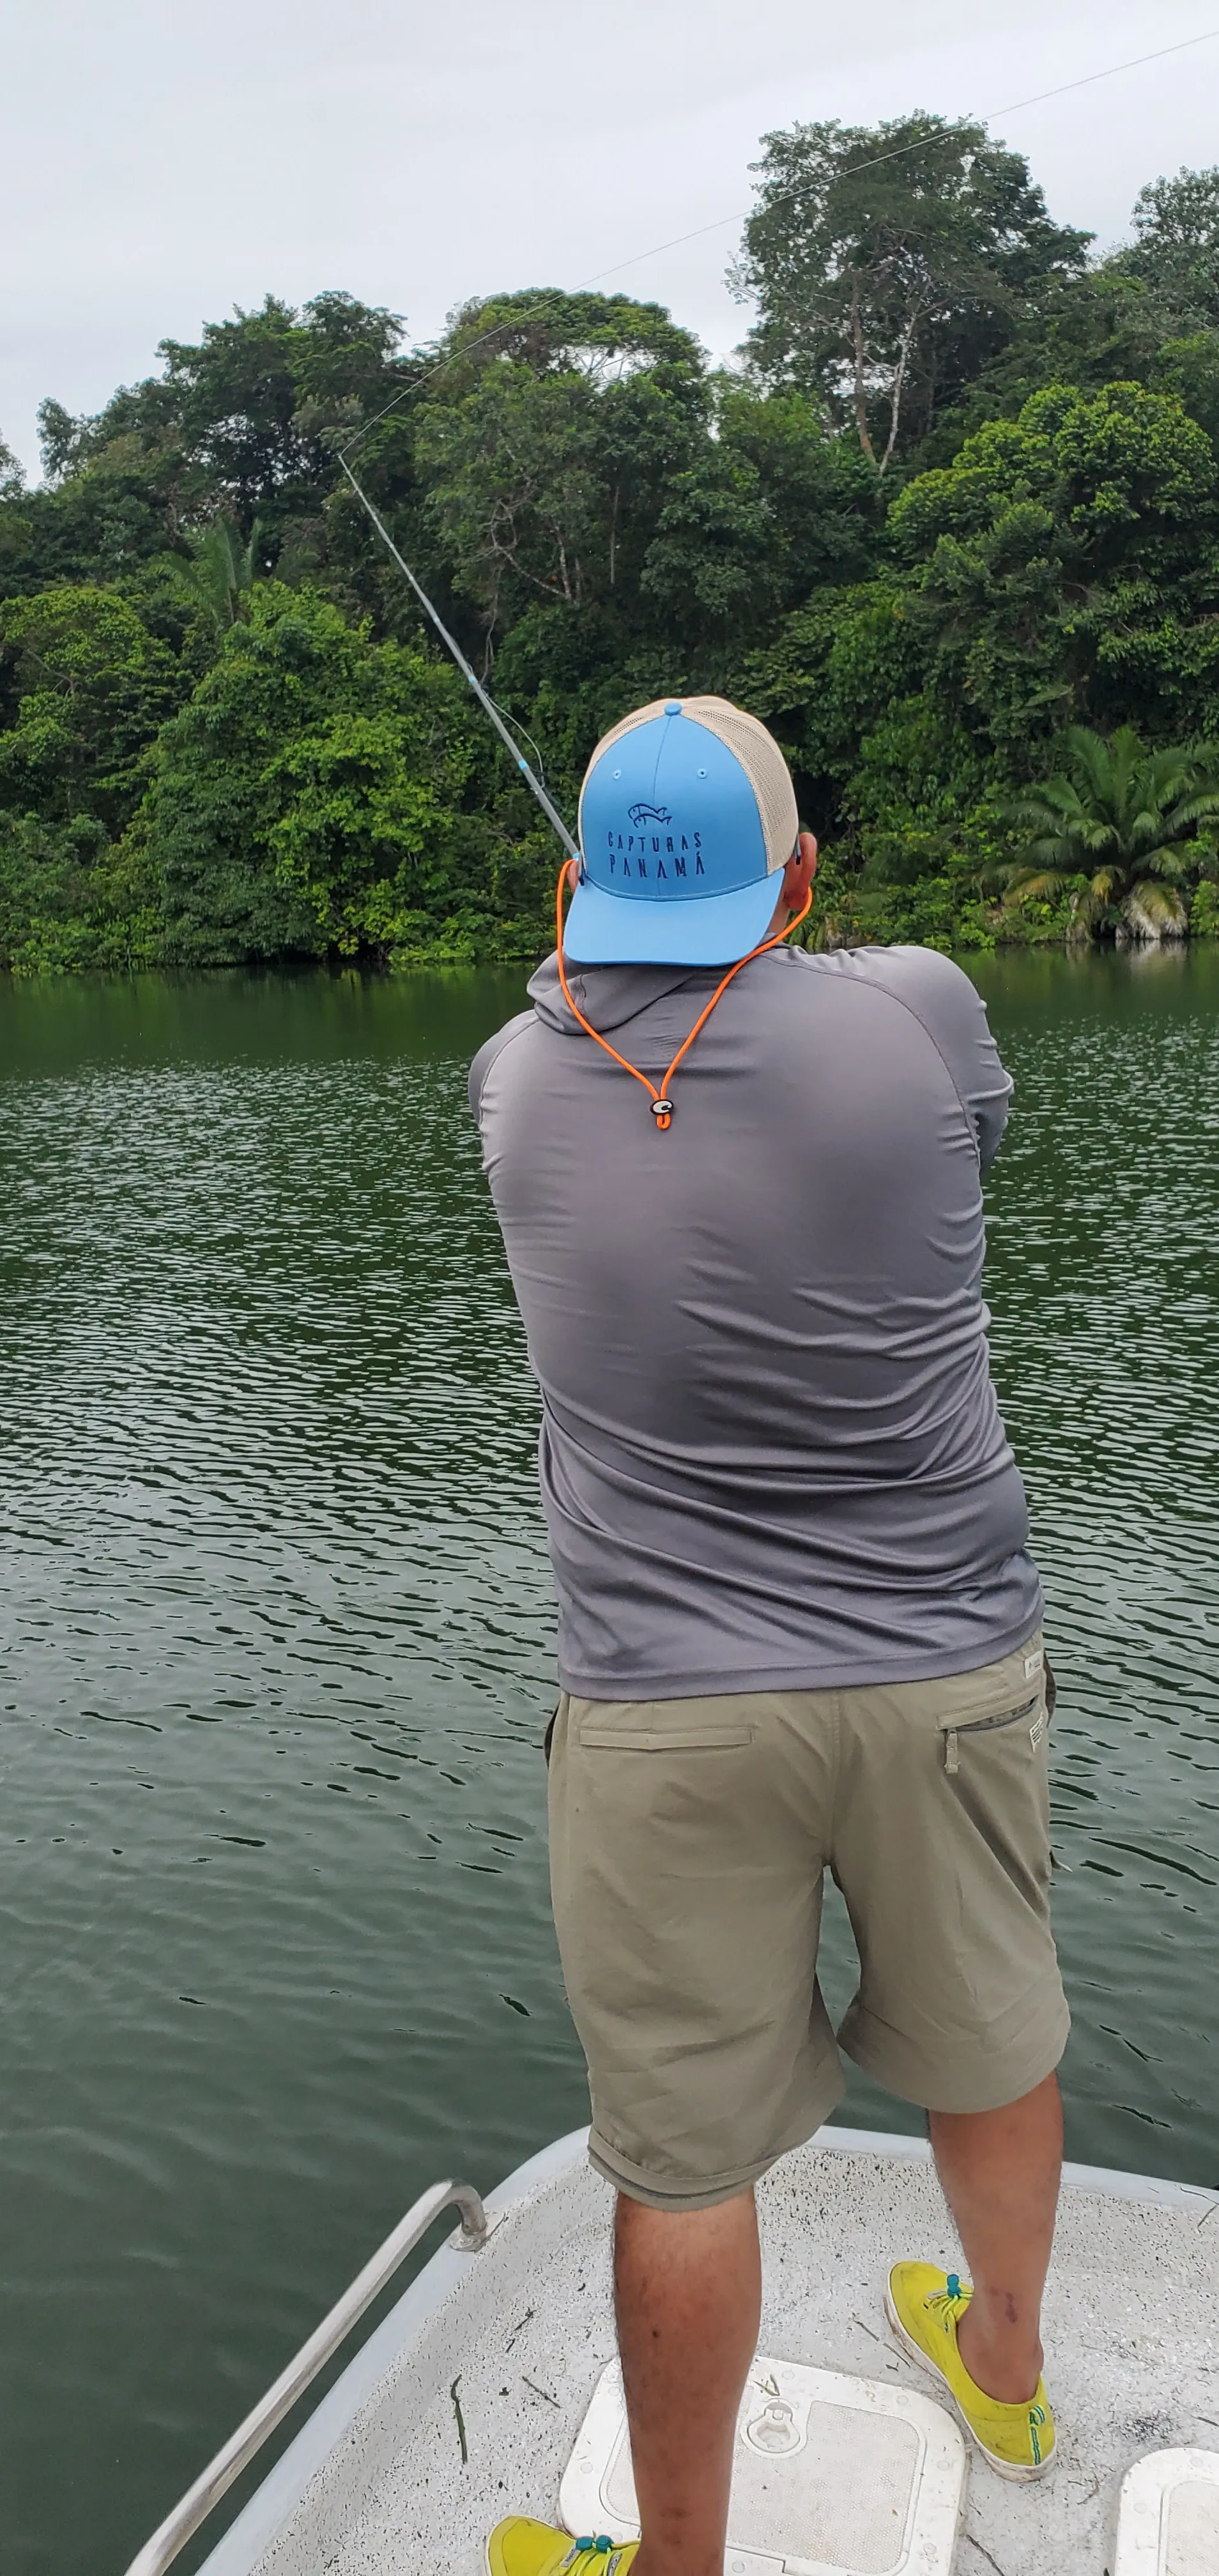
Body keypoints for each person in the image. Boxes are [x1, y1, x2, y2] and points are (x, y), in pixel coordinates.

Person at [469, 698, 1068, 2576]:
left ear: (567, 888)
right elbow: (939, 1100)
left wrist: (596, 937)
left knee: (680, 2160)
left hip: (660, 1711)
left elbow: (601, 1007)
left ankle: (677, 2563)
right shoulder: (920, 1014)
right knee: (984, 2042)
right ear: (798, 878)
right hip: (944, 1667)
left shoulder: (508, 1078)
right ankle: (1004, 2363)